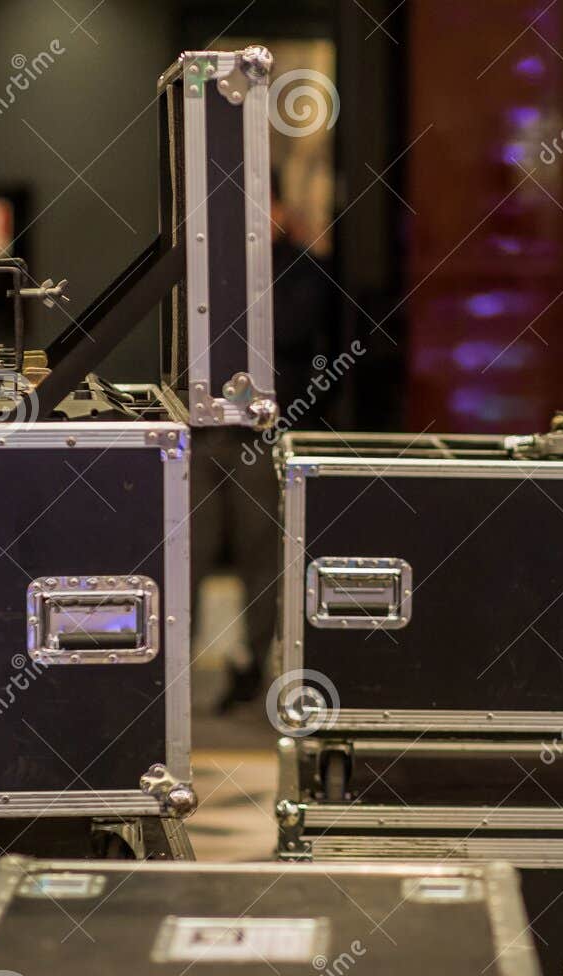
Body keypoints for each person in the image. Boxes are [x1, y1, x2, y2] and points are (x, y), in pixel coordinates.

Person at [190, 170, 337, 711]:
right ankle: (173, 676)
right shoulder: (211, 271)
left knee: (261, 558)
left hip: (262, 435)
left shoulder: (303, 273)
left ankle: (253, 666)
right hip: (206, 434)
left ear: (276, 210)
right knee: (189, 552)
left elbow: (295, 339)